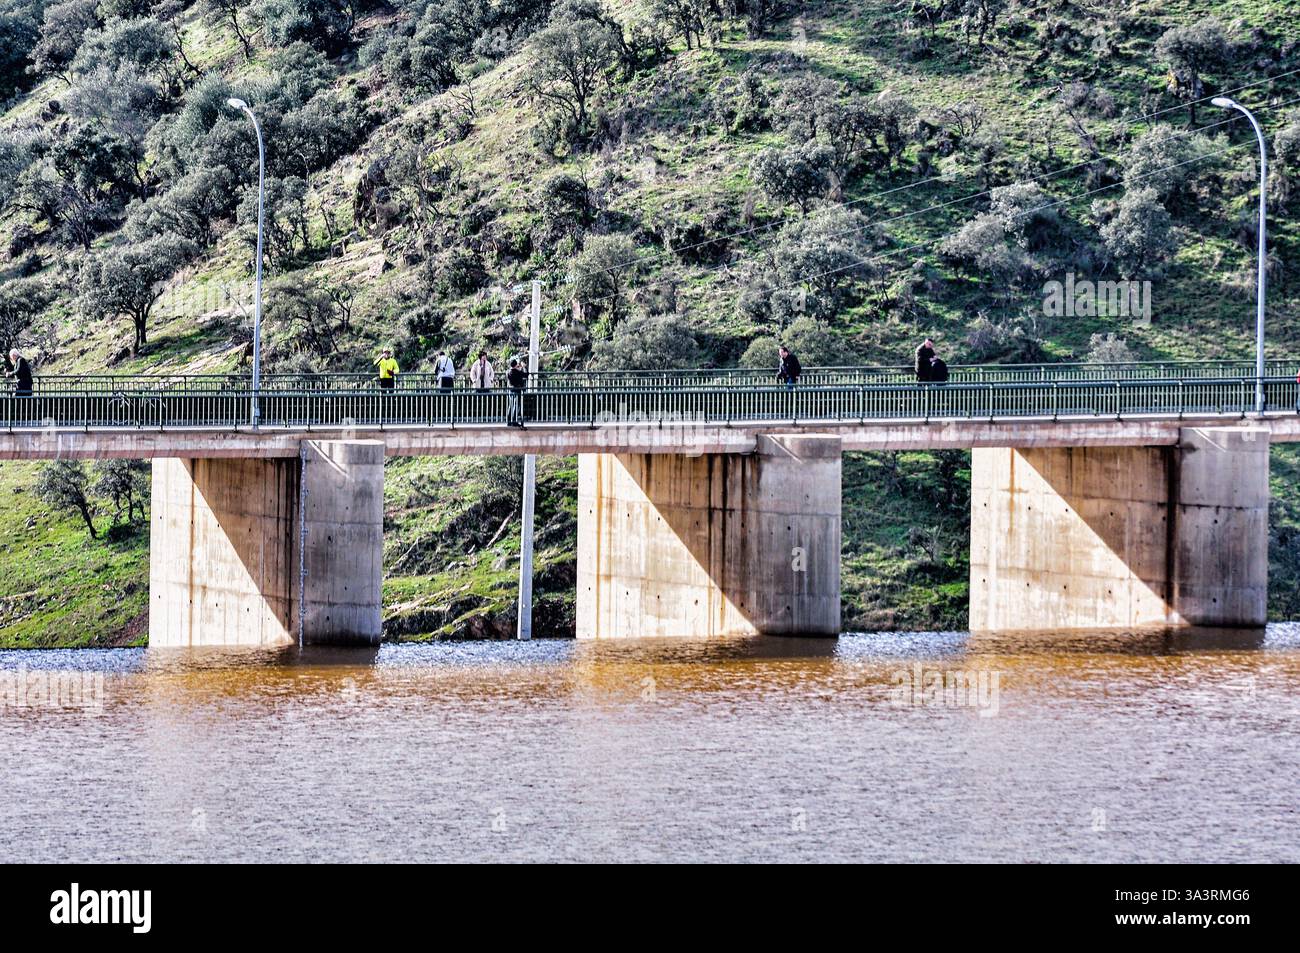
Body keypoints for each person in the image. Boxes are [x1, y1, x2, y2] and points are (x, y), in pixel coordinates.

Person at [506, 358, 528, 427]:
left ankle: (509, 421)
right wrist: (524, 367)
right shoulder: (517, 372)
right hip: (517, 390)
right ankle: (514, 421)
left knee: (511, 405)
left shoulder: (508, 372)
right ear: (516, 365)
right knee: (516, 405)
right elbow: (526, 375)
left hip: (510, 389)